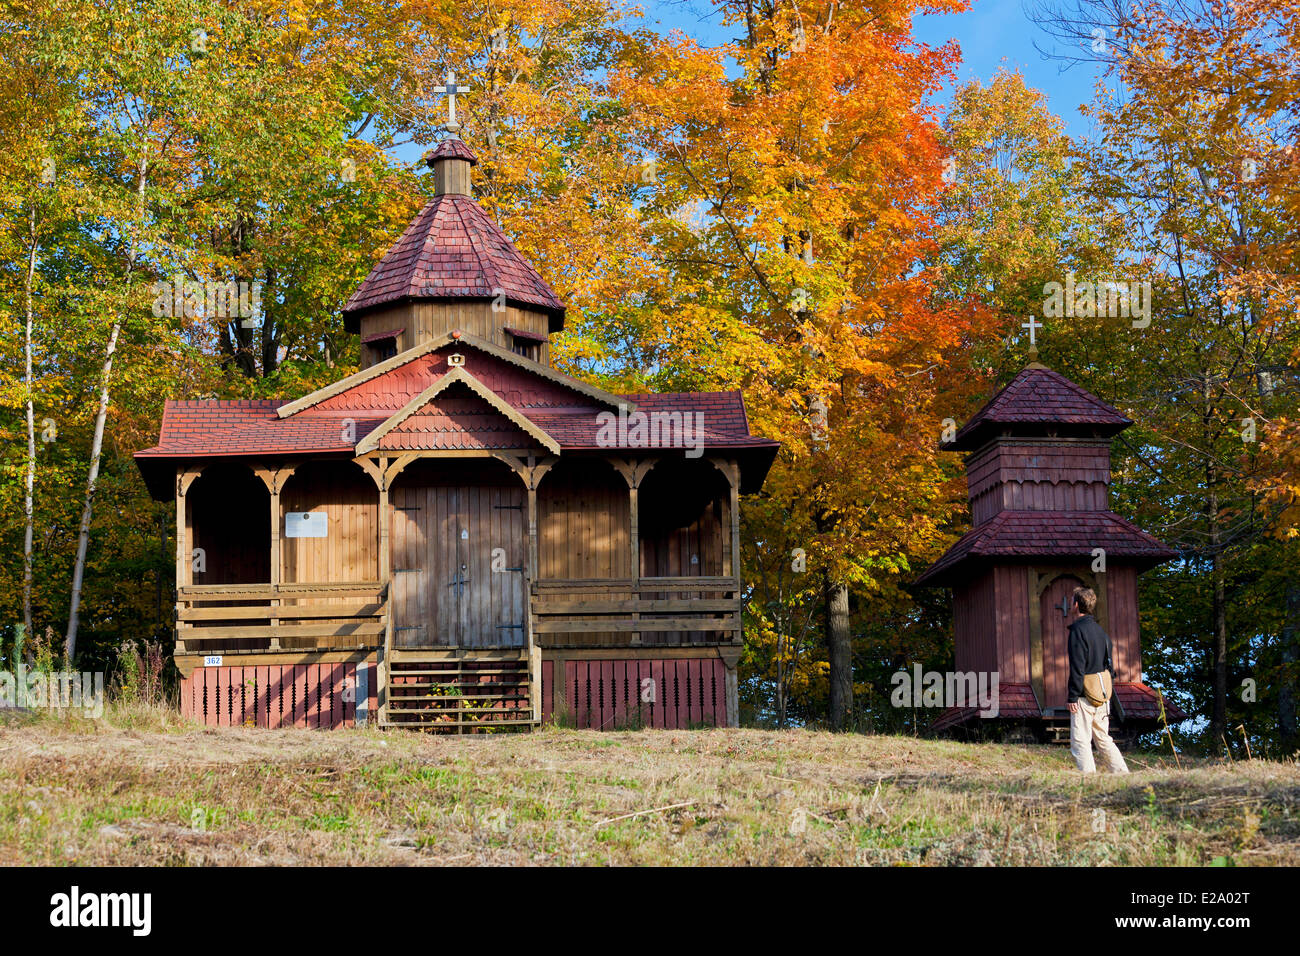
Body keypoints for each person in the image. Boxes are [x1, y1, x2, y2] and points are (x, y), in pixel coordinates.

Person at [1066, 587, 1129, 774]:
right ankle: (1122, 773)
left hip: (1085, 694)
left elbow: (1078, 667)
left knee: (1080, 740)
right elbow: (1109, 664)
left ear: (1076, 605)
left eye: (1071, 601)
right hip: (1103, 693)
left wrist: (1072, 696)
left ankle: (1089, 779)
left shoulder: (1077, 630)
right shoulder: (1101, 632)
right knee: (1103, 738)